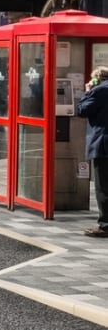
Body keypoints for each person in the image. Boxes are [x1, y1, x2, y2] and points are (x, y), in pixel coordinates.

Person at [77, 66, 108, 237]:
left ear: (96, 79)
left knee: (103, 187)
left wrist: (88, 91)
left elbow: (82, 110)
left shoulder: (99, 91)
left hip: (103, 145)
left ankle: (105, 226)